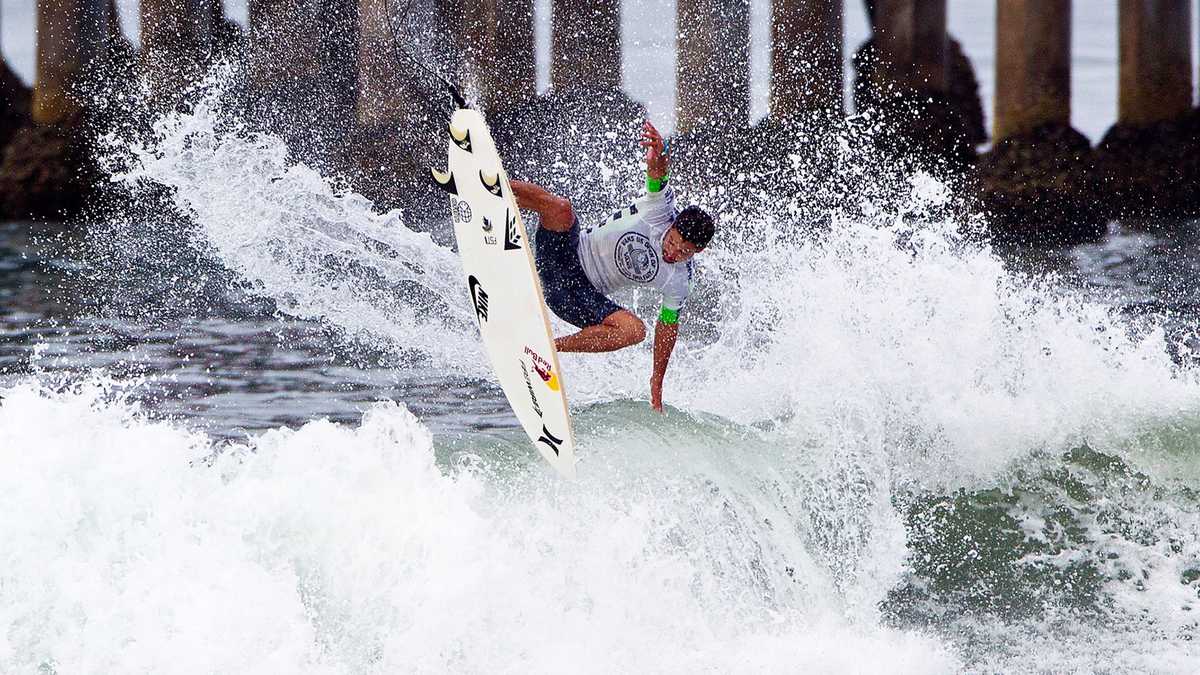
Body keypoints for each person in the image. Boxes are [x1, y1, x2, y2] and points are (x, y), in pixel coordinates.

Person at [510, 120, 715, 412]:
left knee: (634, 331)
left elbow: (667, 326)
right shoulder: (659, 210)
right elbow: (657, 172)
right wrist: (661, 150)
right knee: (561, 208)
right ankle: (490, 187)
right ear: (672, 225)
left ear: (699, 251)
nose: (673, 252)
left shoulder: (679, 280)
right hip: (564, 253)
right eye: (673, 242)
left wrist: (657, 381)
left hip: (577, 297)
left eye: (684, 252)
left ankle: (547, 348)